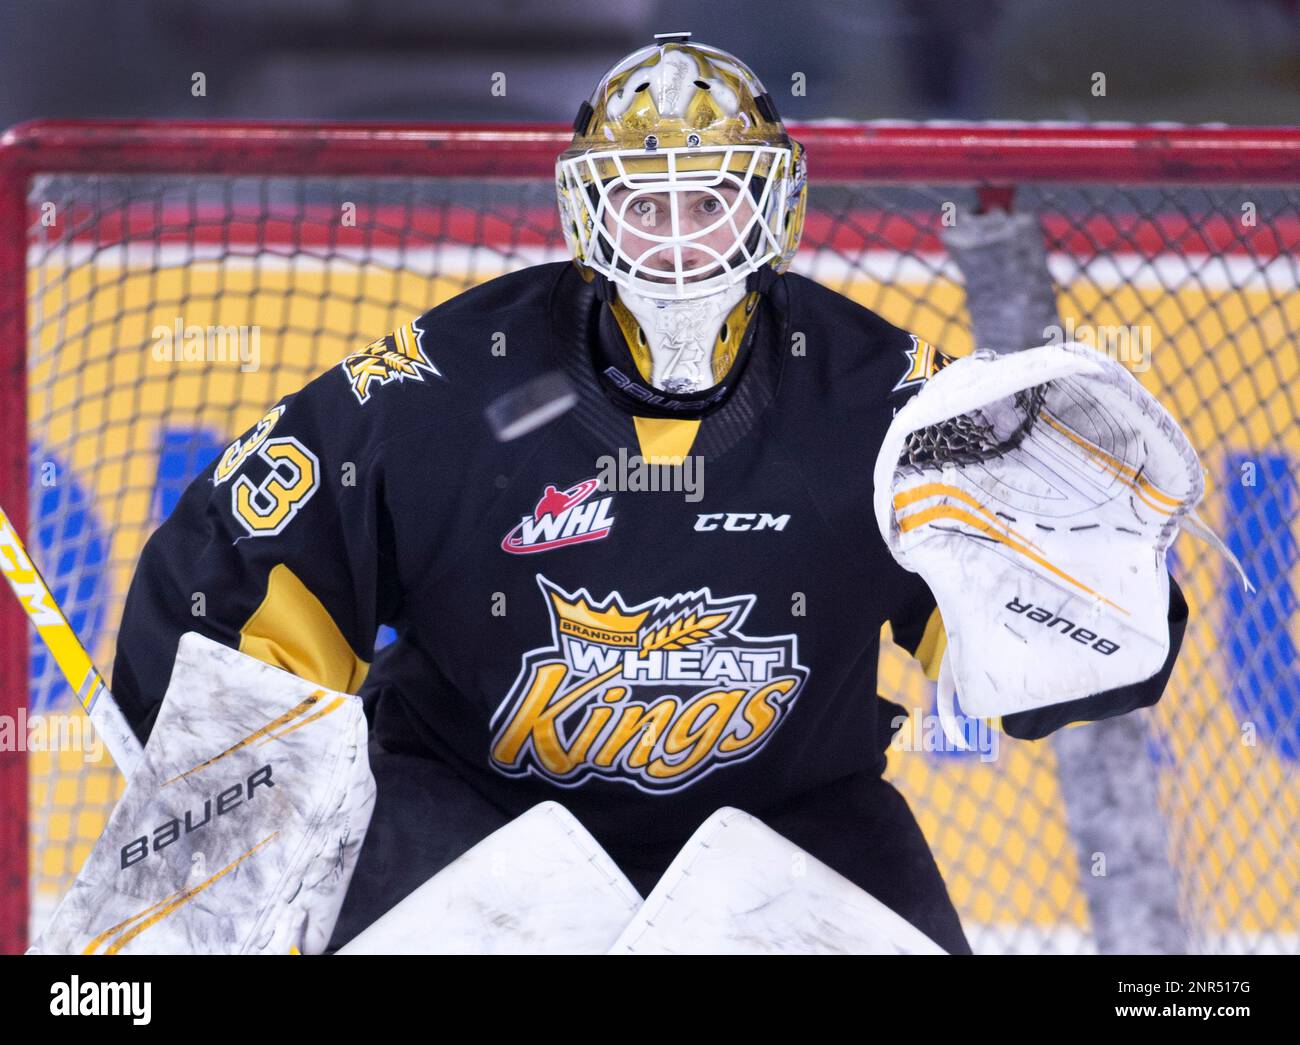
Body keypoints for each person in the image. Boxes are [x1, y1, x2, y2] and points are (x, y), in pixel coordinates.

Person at [111, 34, 1187, 954]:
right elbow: (242, 556)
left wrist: (1108, 599)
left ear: (771, 204)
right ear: (592, 217)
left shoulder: (879, 401)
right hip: (473, 806)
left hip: (790, 814)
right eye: (642, 203)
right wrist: (222, 812)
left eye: (711, 199)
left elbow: (1045, 659)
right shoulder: (453, 388)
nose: (677, 238)